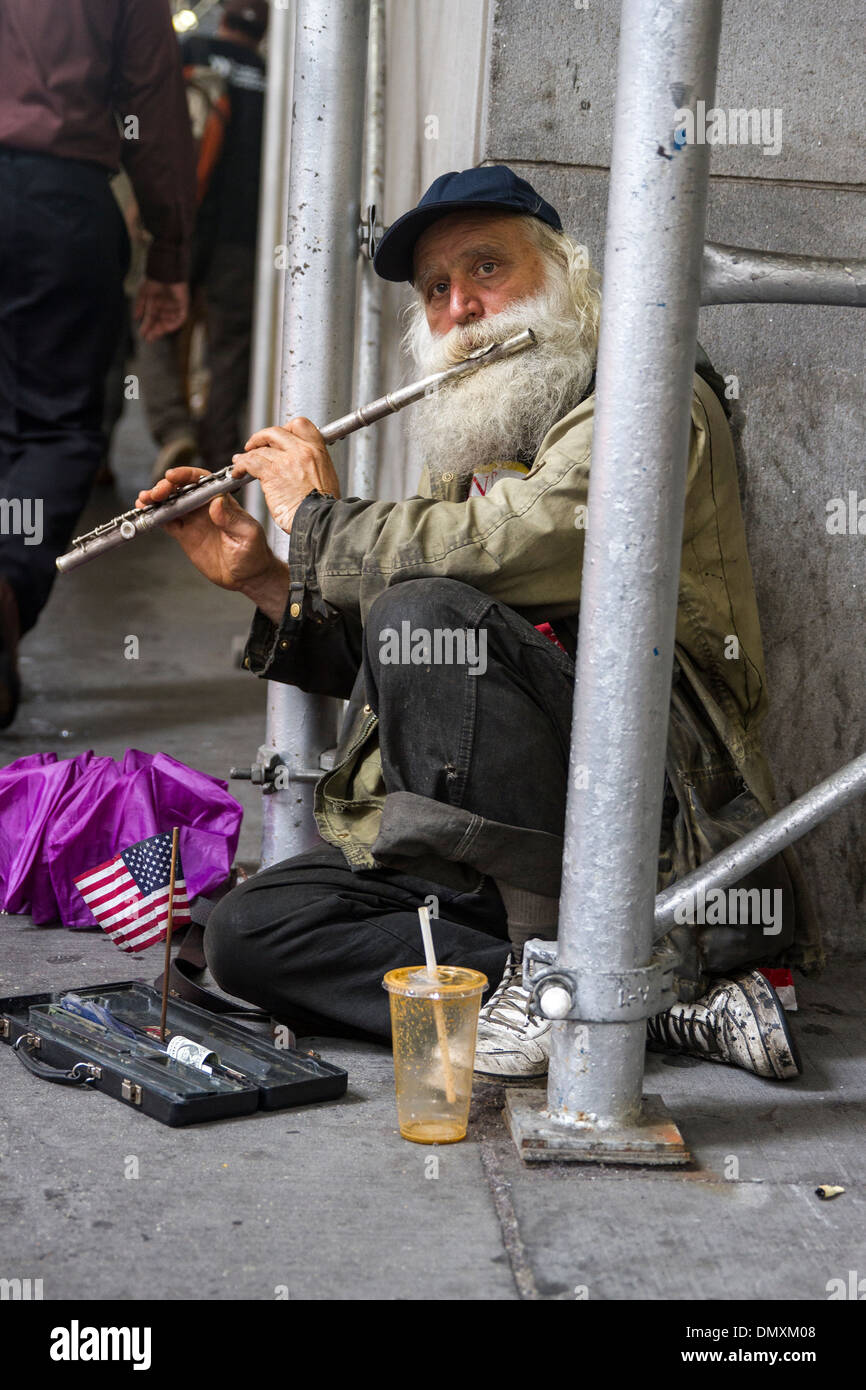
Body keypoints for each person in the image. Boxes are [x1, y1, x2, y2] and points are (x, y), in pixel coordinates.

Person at [137, 166, 822, 1081]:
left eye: (487, 268)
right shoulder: (472, 451)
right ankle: (649, 1004)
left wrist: (320, 524)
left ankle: (573, 965)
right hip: (486, 858)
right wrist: (265, 577)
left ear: (568, 275)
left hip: (659, 826)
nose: (461, 307)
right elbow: (407, 664)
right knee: (250, 933)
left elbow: (511, 544)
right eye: (437, 291)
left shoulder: (655, 405)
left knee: (428, 601)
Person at [0, 0, 196, 728]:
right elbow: (153, 103)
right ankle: (8, 577)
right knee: (51, 430)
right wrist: (170, 254)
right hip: (57, 202)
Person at [137, 0, 268, 481]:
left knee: (153, 321)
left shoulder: (190, 50)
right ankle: (217, 466)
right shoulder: (273, 78)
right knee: (230, 348)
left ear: (224, 16)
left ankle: (174, 430)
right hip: (245, 235)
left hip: (182, 222)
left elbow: (154, 127)